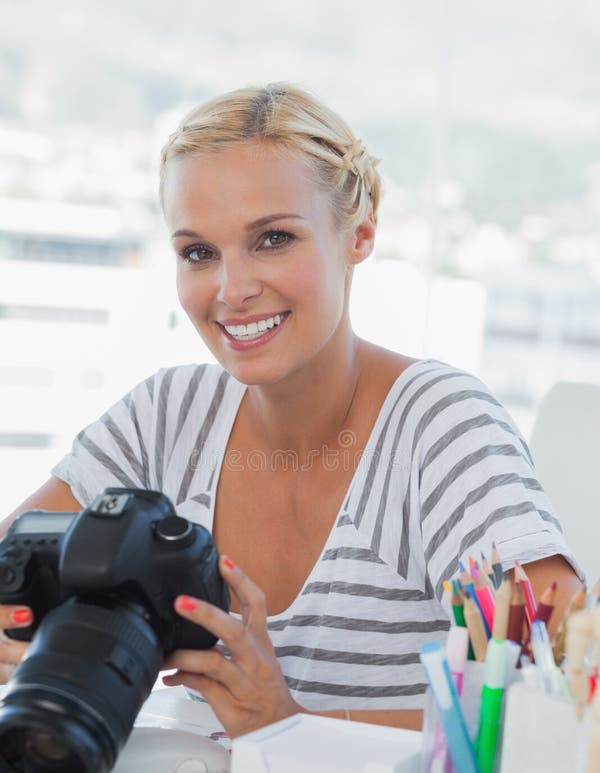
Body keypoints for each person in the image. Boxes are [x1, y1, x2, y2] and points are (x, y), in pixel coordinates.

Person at [0, 82, 583, 737]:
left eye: (273, 238)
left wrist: (289, 724)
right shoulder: (167, 416)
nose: (233, 289)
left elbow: (564, 704)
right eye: (199, 252)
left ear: (359, 233)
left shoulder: (441, 427)